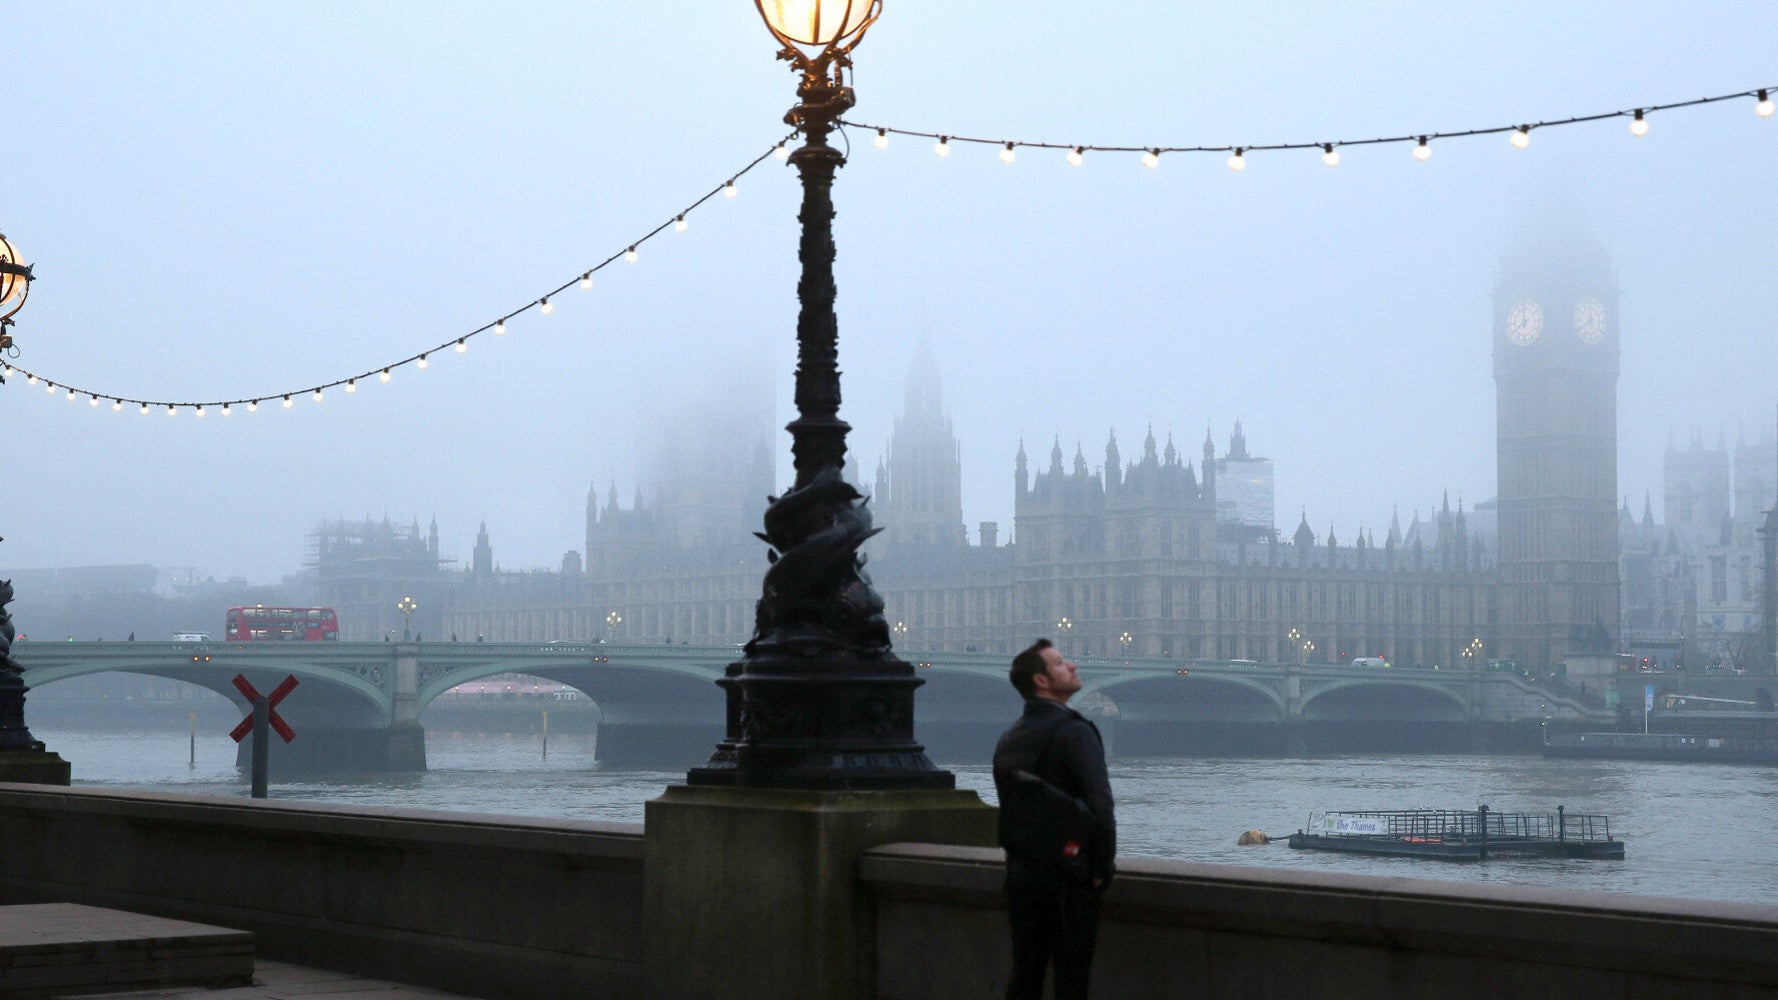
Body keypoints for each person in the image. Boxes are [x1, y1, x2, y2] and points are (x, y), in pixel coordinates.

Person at [993, 638, 1115, 1000]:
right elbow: (1101, 806)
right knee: (1071, 979)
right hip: (1069, 878)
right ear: (1041, 681)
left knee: (1025, 974)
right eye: (1061, 663)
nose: (1073, 666)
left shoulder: (1009, 737)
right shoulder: (1074, 731)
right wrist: (1101, 869)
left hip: (1022, 874)